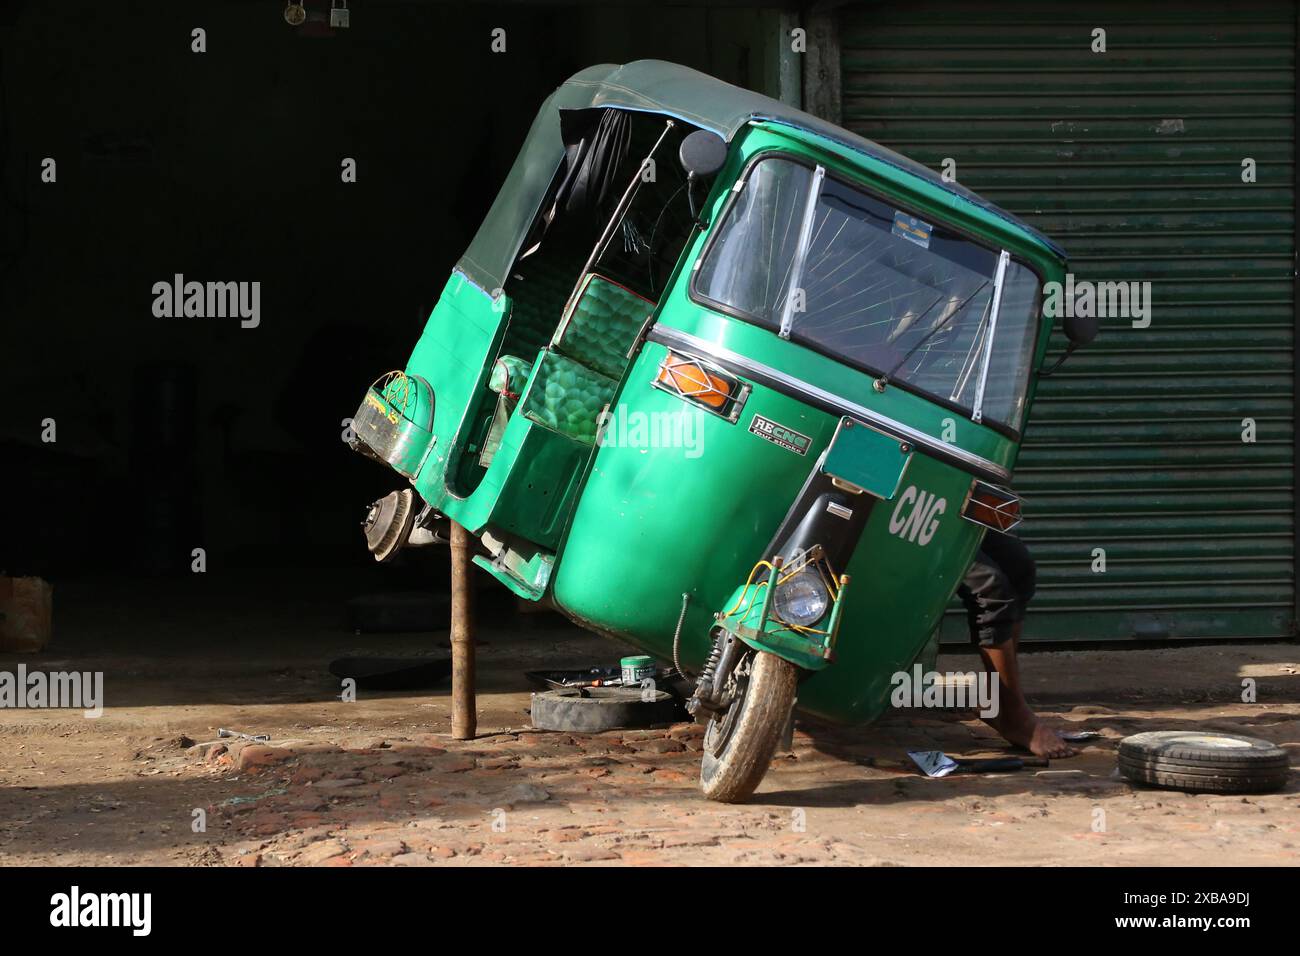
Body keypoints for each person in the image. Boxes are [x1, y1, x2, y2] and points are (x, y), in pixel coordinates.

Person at [956, 531, 1077, 759]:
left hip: (943, 514)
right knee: (989, 586)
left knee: (1018, 566)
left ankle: (997, 699)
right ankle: (1016, 717)